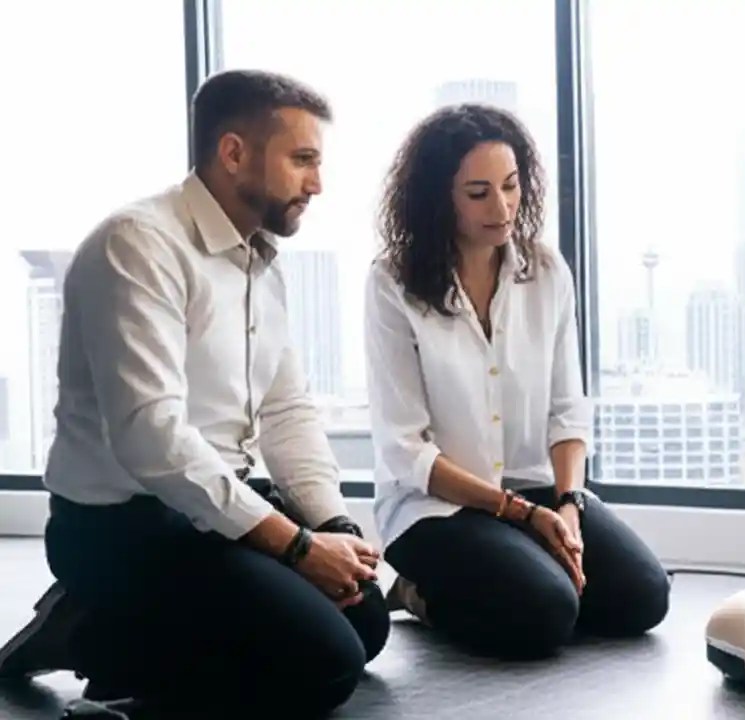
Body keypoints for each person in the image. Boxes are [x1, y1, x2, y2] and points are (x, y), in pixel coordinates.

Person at [0, 69, 389, 718]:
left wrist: (334, 531)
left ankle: (122, 631)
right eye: (302, 160)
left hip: (216, 505)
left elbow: (286, 411)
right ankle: (92, 633)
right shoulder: (137, 245)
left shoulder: (258, 260)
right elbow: (153, 438)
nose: (317, 184)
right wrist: (296, 549)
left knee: (365, 621)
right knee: (324, 665)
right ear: (233, 152)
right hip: (122, 525)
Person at [364, 103, 670, 660]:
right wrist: (520, 514)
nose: (502, 207)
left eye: (510, 186)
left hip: (536, 490)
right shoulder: (393, 282)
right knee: (545, 614)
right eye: (477, 193)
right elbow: (405, 449)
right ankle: (418, 591)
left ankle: (517, 571)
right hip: (435, 507)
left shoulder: (546, 271)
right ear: (440, 198)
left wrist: (570, 503)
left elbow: (567, 410)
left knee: (642, 599)